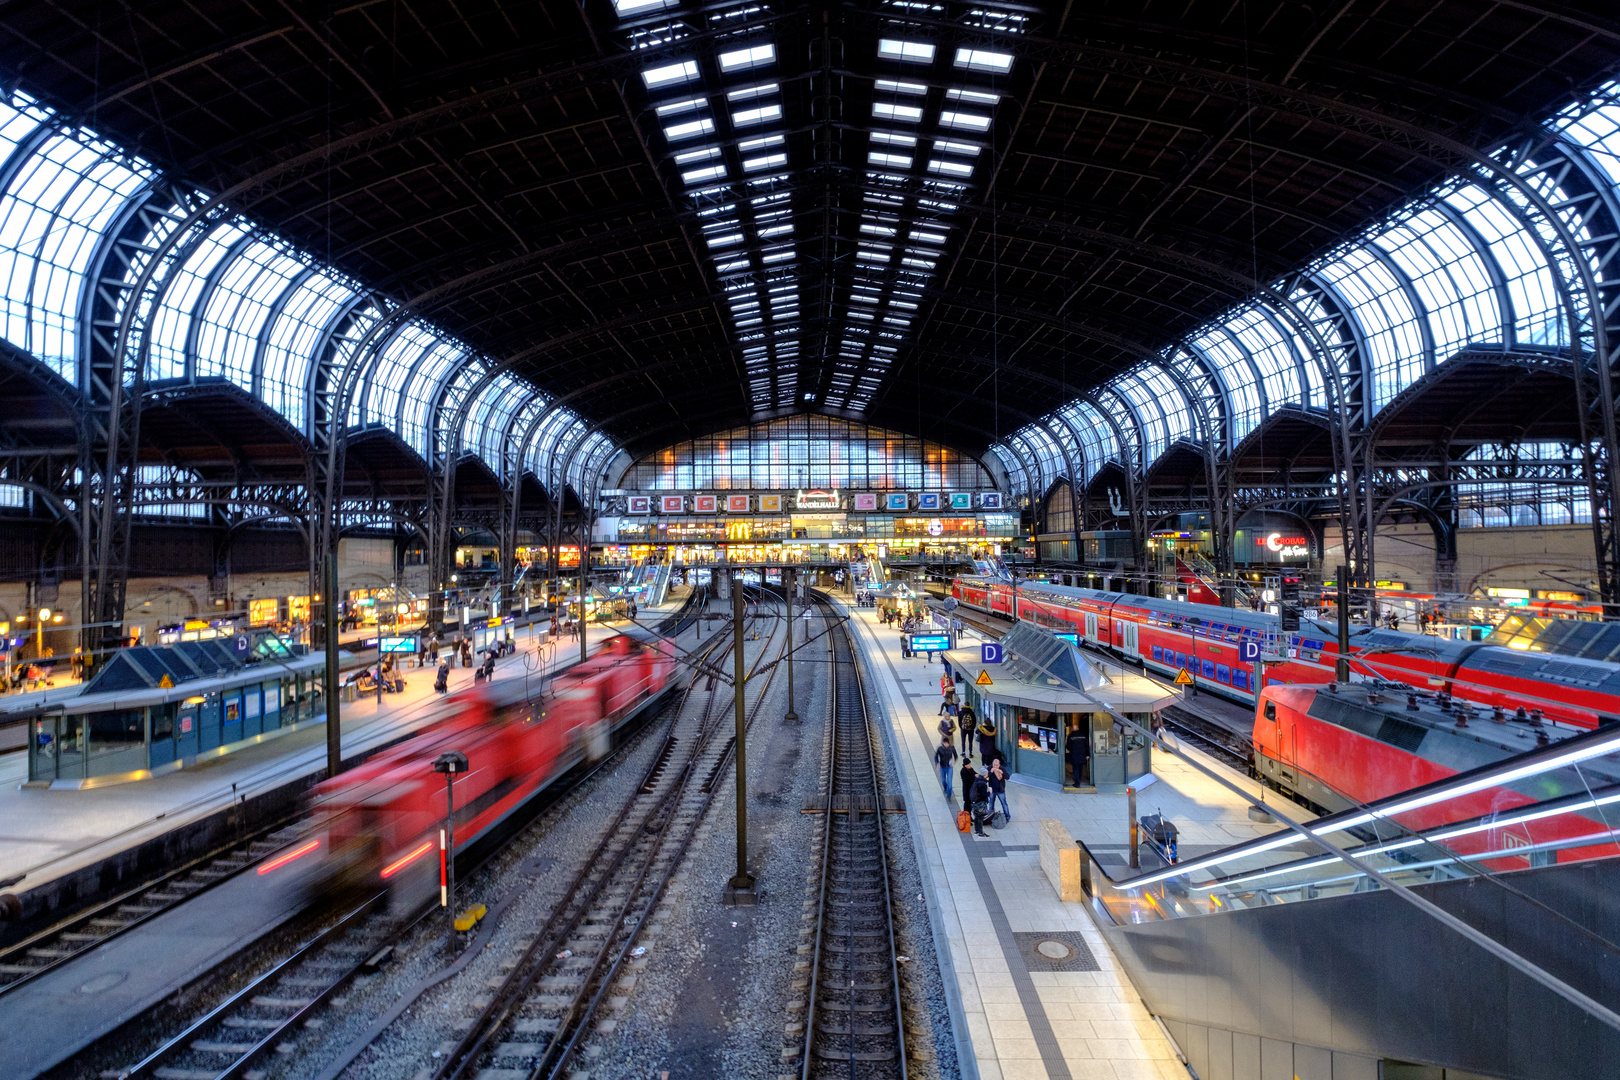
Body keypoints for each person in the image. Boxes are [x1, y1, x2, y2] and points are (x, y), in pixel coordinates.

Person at [969, 772, 992, 838]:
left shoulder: (977, 781)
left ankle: (976, 830)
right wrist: (989, 793)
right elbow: (984, 795)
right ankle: (980, 833)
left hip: (975, 802)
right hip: (980, 802)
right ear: (984, 775)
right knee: (980, 817)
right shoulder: (983, 783)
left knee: (977, 816)